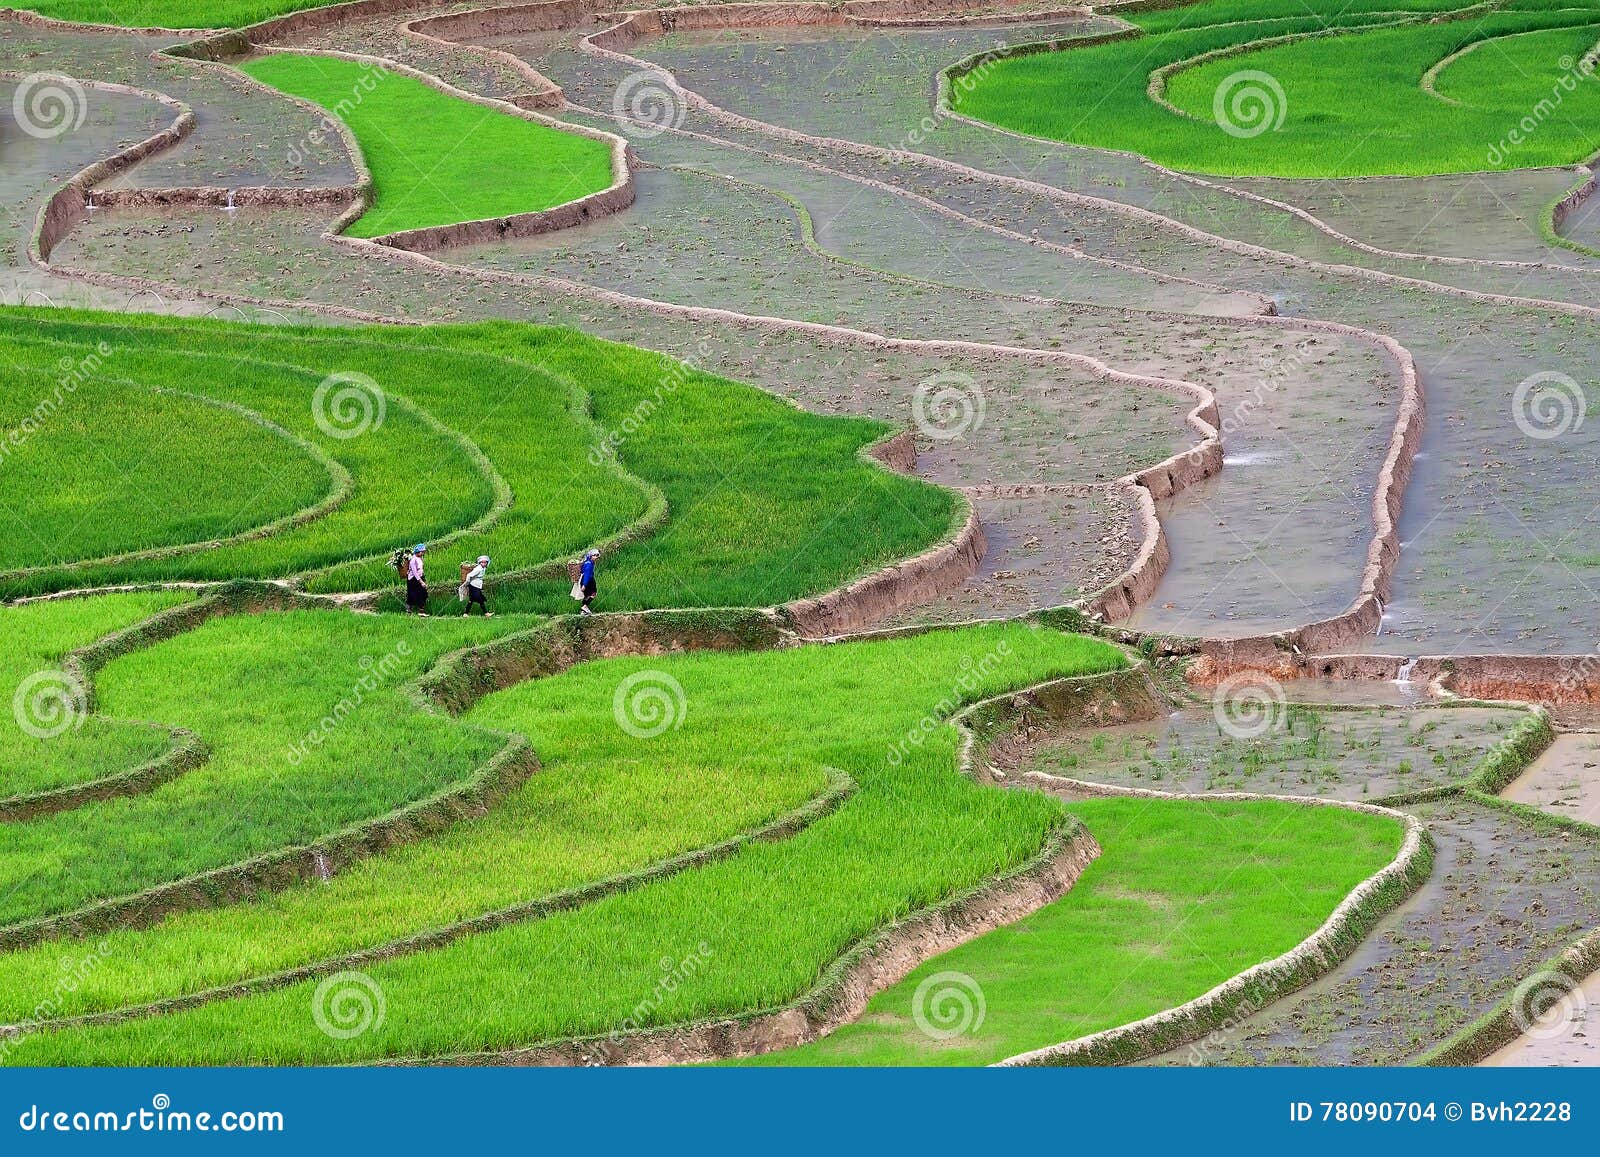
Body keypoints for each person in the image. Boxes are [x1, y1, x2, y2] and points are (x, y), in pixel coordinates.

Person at [405, 543, 429, 616]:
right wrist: (421, 582)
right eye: (422, 552)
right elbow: (415, 573)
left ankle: (421, 611)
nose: (423, 553)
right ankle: (409, 609)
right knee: (412, 594)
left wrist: (423, 578)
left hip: (419, 578)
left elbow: (421, 569)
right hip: (412, 579)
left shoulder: (420, 558)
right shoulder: (413, 560)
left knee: (423, 593)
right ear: (418, 552)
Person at [579, 548, 599, 615]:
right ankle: (585, 606)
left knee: (586, 595)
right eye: (595, 555)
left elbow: (582, 571)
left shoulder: (586, 562)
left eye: (597, 555)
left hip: (584, 580)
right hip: (589, 581)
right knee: (593, 593)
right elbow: (587, 574)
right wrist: (584, 584)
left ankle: (583, 611)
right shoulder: (589, 564)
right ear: (591, 556)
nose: (596, 557)